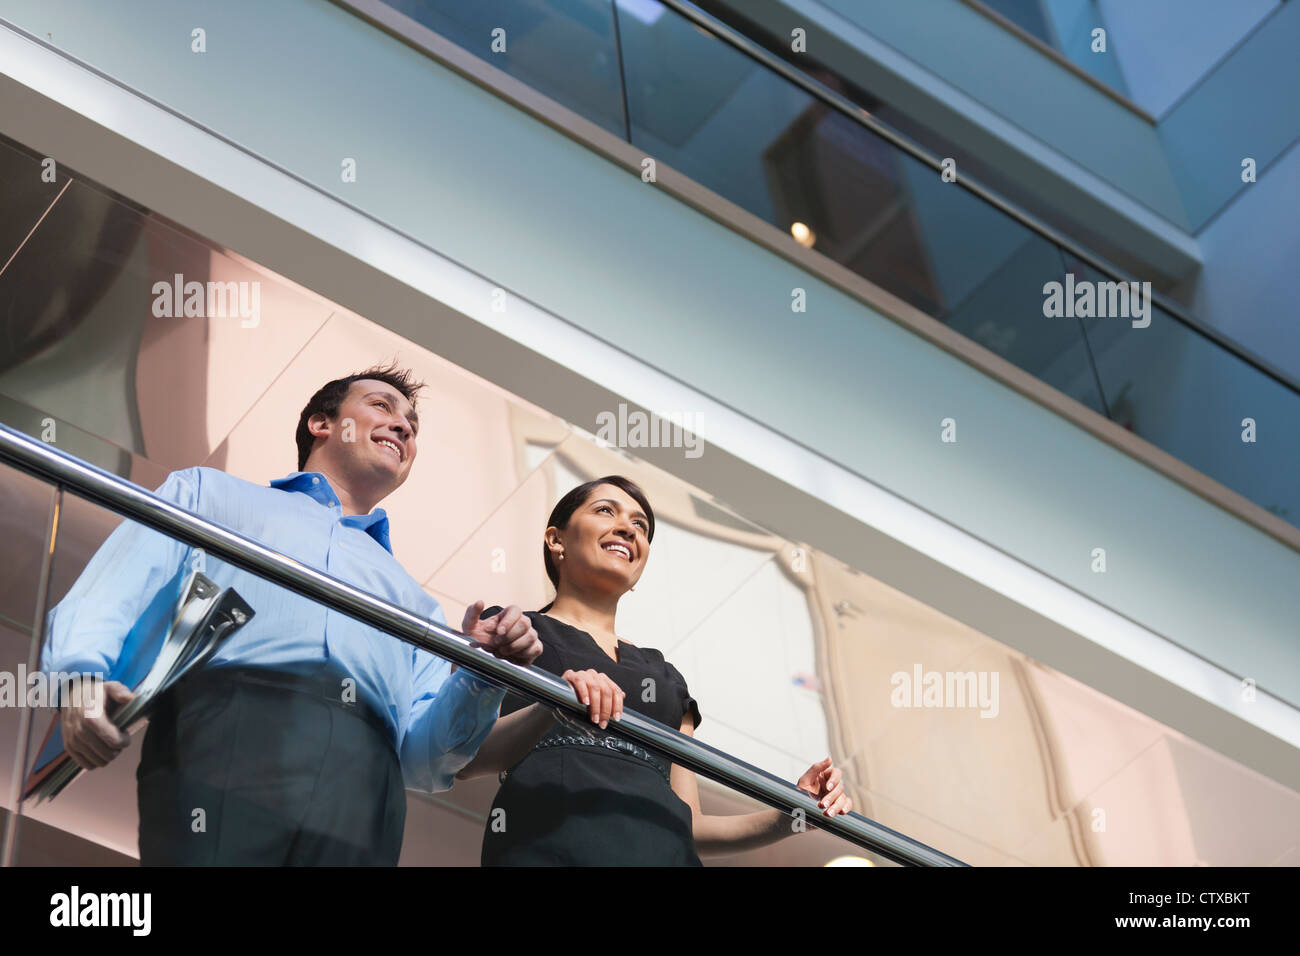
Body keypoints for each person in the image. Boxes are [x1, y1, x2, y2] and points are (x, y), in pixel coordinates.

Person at [42, 364, 542, 865]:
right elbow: (122, 580)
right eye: (381, 407)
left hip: (367, 783)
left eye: (412, 422)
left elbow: (424, 760)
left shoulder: (418, 604)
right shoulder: (210, 494)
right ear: (321, 425)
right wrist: (79, 677)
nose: (404, 427)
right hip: (224, 730)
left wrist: (481, 674)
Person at [458, 476, 854, 865]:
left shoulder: (665, 677)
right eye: (605, 510)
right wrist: (555, 705)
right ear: (556, 539)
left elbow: (690, 825)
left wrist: (793, 816)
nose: (628, 529)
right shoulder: (515, 631)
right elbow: (462, 758)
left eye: (640, 526)